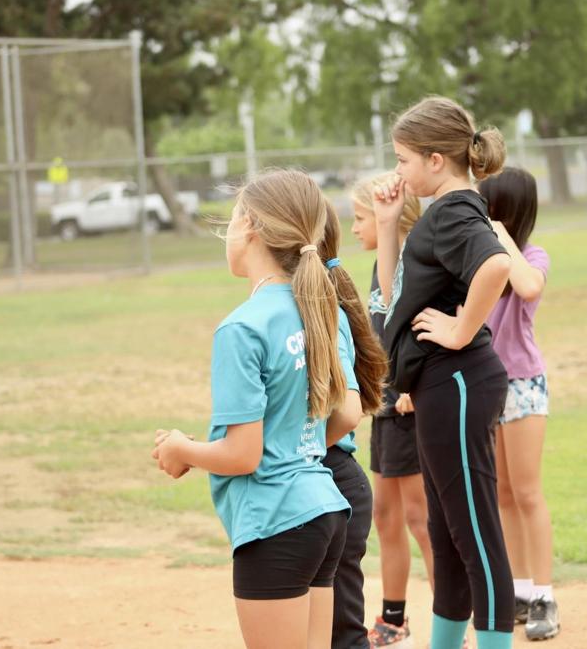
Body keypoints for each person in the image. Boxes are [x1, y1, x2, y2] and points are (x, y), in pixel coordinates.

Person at [152, 169, 363, 649]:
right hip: (324, 509)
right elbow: (344, 414)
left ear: (249, 227)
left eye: (231, 219)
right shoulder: (315, 307)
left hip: (277, 522)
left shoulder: (243, 327)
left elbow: (243, 455)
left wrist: (183, 448)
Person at [373, 96, 515, 649]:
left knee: (475, 534)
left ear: (436, 160)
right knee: (448, 533)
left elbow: (498, 264)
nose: (399, 171)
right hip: (440, 386)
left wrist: (459, 330)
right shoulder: (442, 210)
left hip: (457, 380)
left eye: (404, 159)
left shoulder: (454, 208)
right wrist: (388, 226)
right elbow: (396, 302)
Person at [351, 175, 435, 648]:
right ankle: (394, 617)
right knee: (385, 515)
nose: (355, 227)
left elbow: (419, 325)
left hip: (410, 407)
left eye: (360, 217)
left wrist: (413, 383)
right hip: (385, 407)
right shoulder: (378, 266)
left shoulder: (412, 262)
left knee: (423, 520)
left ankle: (452, 624)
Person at [481, 167, 558, 641]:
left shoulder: (530, 255)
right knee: (503, 493)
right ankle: (520, 590)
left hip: (524, 384)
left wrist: (504, 238)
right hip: (489, 385)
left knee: (527, 492)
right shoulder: (483, 260)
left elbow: (528, 287)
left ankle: (546, 596)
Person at [318, 199, 390, 649]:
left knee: (342, 634)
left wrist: (300, 446)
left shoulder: (323, 307)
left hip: (335, 476)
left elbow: (348, 409)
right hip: (328, 476)